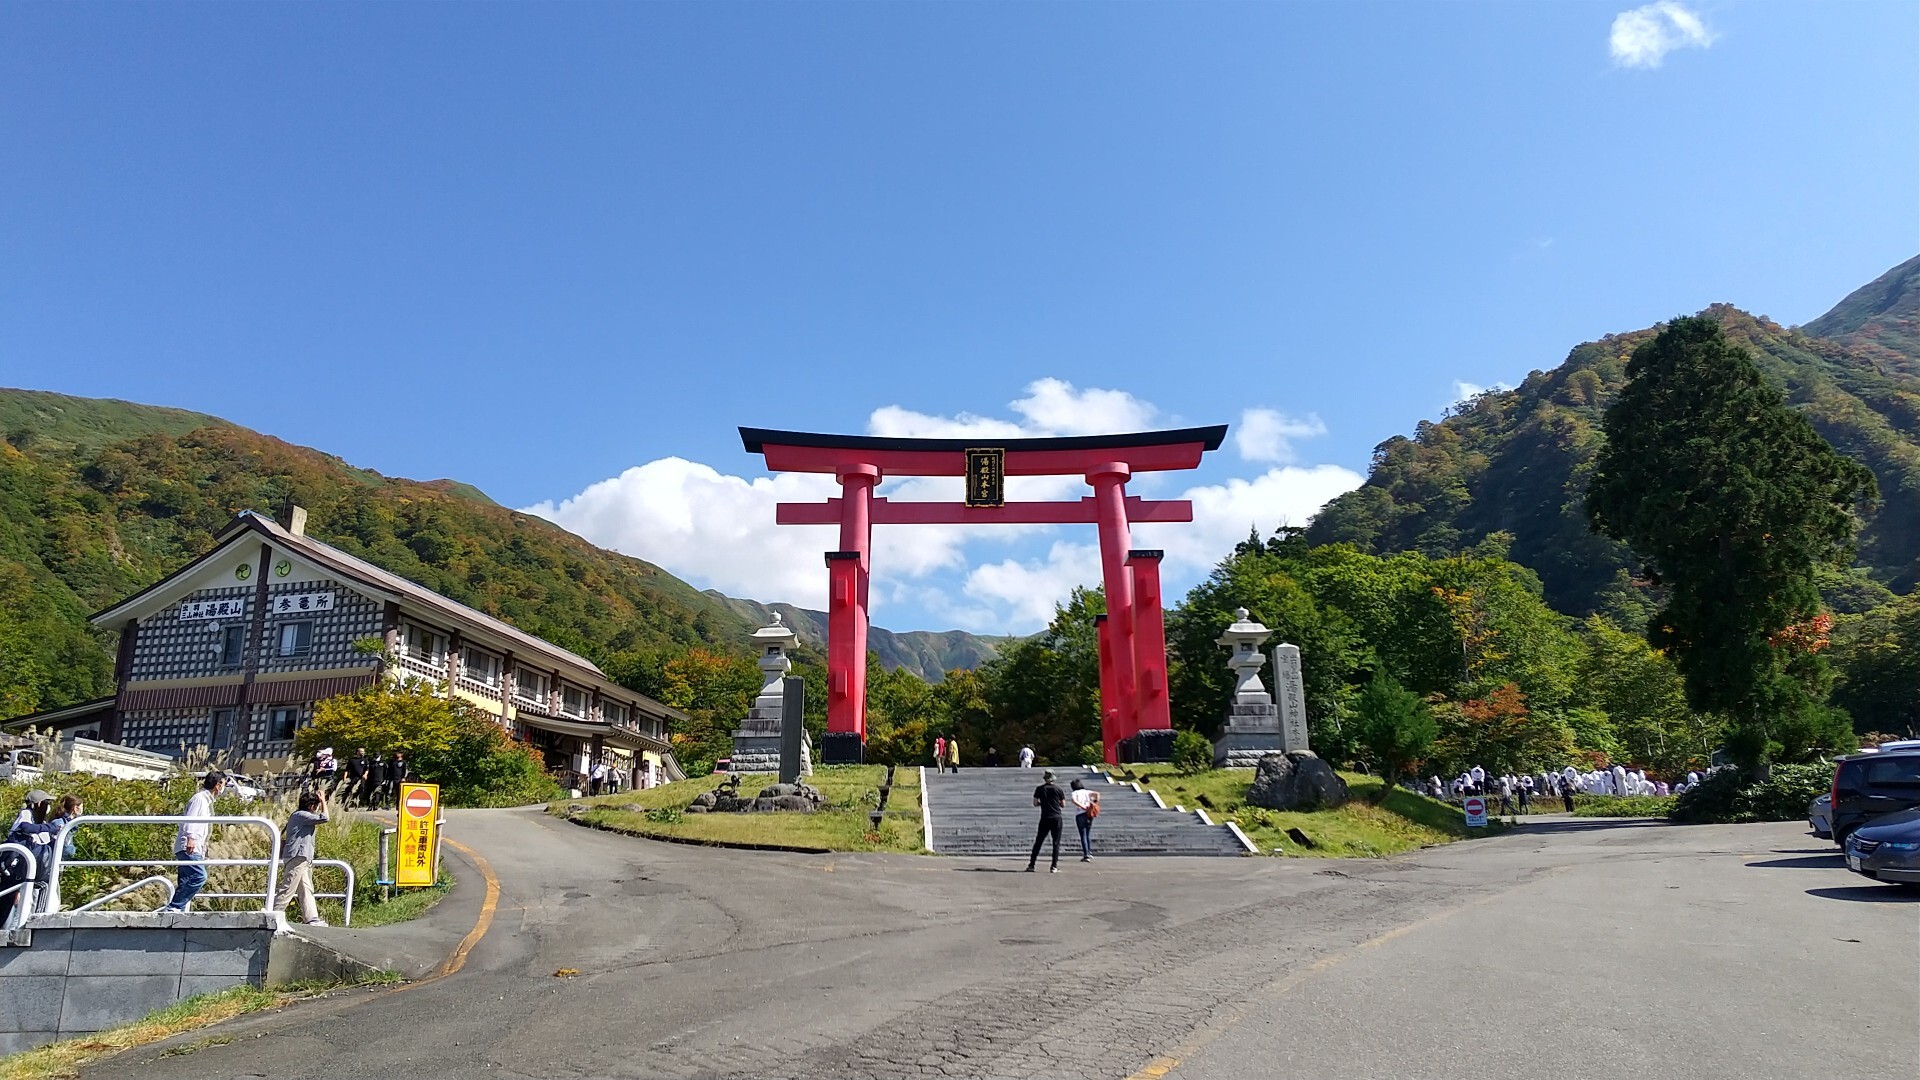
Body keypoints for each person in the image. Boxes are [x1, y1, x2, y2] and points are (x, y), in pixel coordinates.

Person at [161, 772, 227, 912]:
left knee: (185, 881)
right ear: (217, 785)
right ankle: (174, 907)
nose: (224, 788)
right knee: (199, 876)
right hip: (189, 846)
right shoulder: (199, 799)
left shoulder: (206, 800)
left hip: (193, 846)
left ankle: (178, 910)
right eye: (224, 784)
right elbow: (190, 819)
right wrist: (191, 838)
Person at [274, 789, 330, 926]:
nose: (316, 809)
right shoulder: (302, 815)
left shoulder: (298, 815)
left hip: (302, 857)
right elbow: (325, 818)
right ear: (311, 806)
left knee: (306, 888)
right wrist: (323, 800)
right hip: (297, 856)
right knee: (288, 888)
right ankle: (273, 914)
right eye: (315, 806)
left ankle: (312, 918)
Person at [1026, 770, 1066, 873]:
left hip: (1045, 817)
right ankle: (1054, 866)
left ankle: (1032, 864)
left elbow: (1035, 803)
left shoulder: (1039, 789)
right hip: (1056, 817)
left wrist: (1043, 803)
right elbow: (1063, 804)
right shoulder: (1058, 789)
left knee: (1039, 841)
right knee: (1056, 843)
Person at [1069, 778, 1100, 862]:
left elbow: (1073, 800)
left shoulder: (1074, 793)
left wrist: (1082, 806)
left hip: (1080, 814)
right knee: (1087, 833)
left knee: (1083, 834)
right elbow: (1097, 793)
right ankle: (1089, 852)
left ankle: (1086, 854)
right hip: (1089, 814)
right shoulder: (1087, 792)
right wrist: (1095, 802)